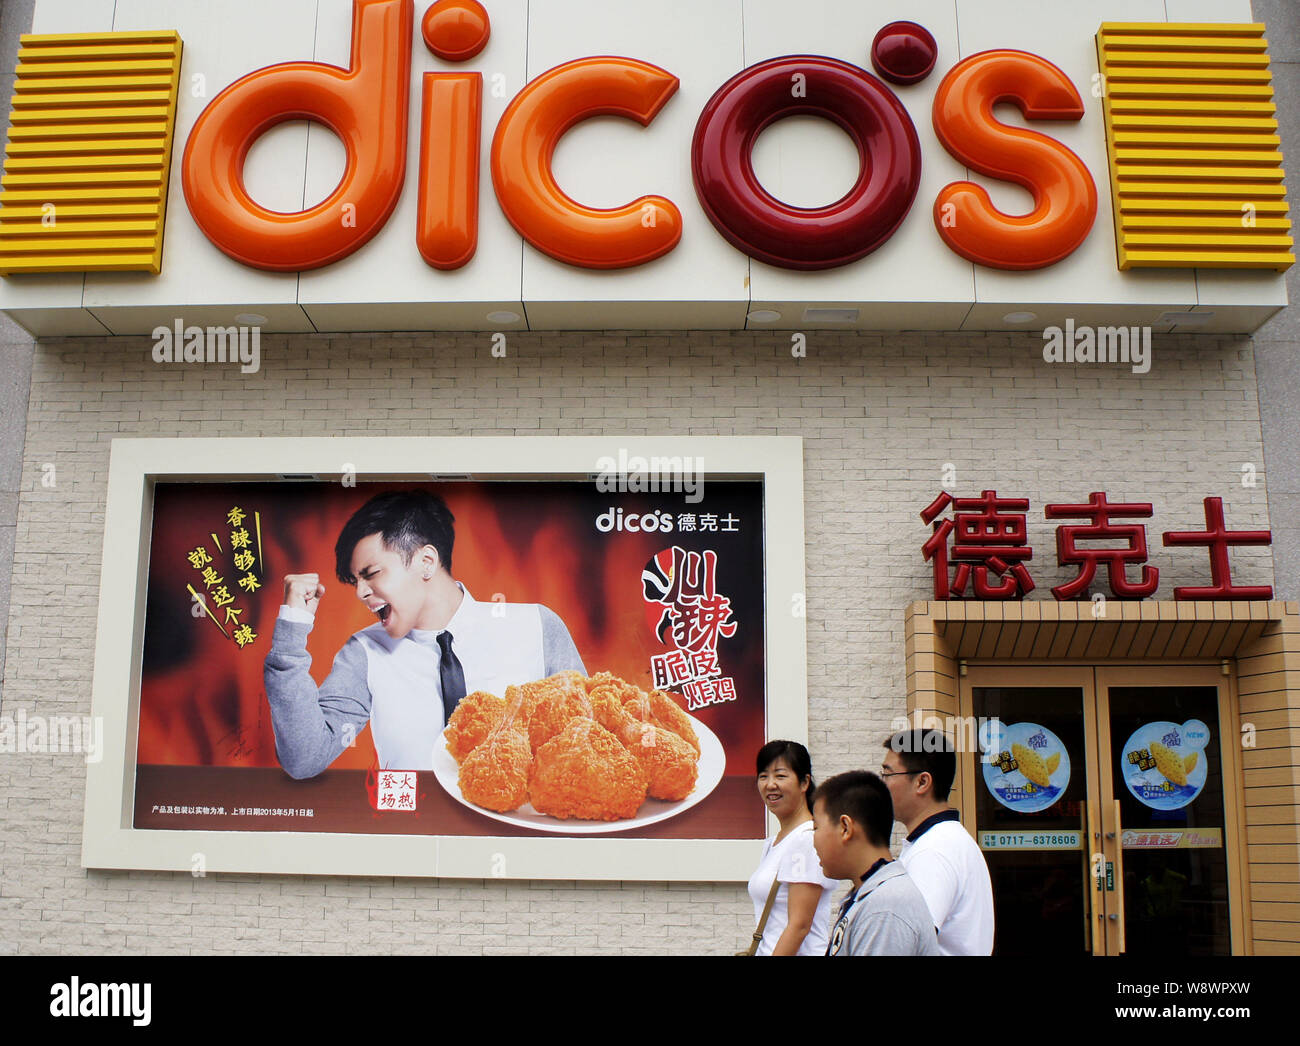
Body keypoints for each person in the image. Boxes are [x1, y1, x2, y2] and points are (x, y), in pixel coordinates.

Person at [263, 490, 585, 778]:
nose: (360, 592)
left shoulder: (536, 626)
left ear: (426, 562)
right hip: (407, 832)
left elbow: (582, 741)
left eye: (371, 574)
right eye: (355, 581)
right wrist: (291, 632)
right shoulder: (363, 653)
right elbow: (304, 759)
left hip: (515, 834)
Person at [881, 729, 995, 955]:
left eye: (887, 774)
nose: (881, 784)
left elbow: (907, 941)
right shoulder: (943, 840)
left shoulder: (934, 851)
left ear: (922, 782)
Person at [811, 770, 940, 956]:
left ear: (845, 828)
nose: (813, 839)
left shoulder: (885, 908)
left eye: (816, 827)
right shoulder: (872, 894)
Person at [745, 740, 840, 956]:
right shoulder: (774, 843)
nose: (770, 784)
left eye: (780, 776)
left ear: (804, 782)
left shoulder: (806, 841)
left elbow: (799, 926)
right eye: (763, 776)